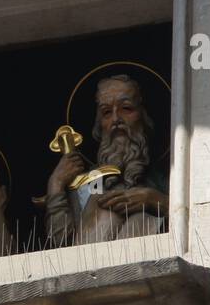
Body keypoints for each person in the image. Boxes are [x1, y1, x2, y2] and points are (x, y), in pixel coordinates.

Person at [45, 74, 168, 245]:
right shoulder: (86, 185)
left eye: (126, 108)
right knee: (100, 205)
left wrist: (154, 199)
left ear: (143, 115)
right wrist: (56, 184)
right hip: (88, 262)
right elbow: (62, 244)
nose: (116, 120)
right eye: (107, 112)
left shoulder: (167, 176)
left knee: (141, 220)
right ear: (99, 124)